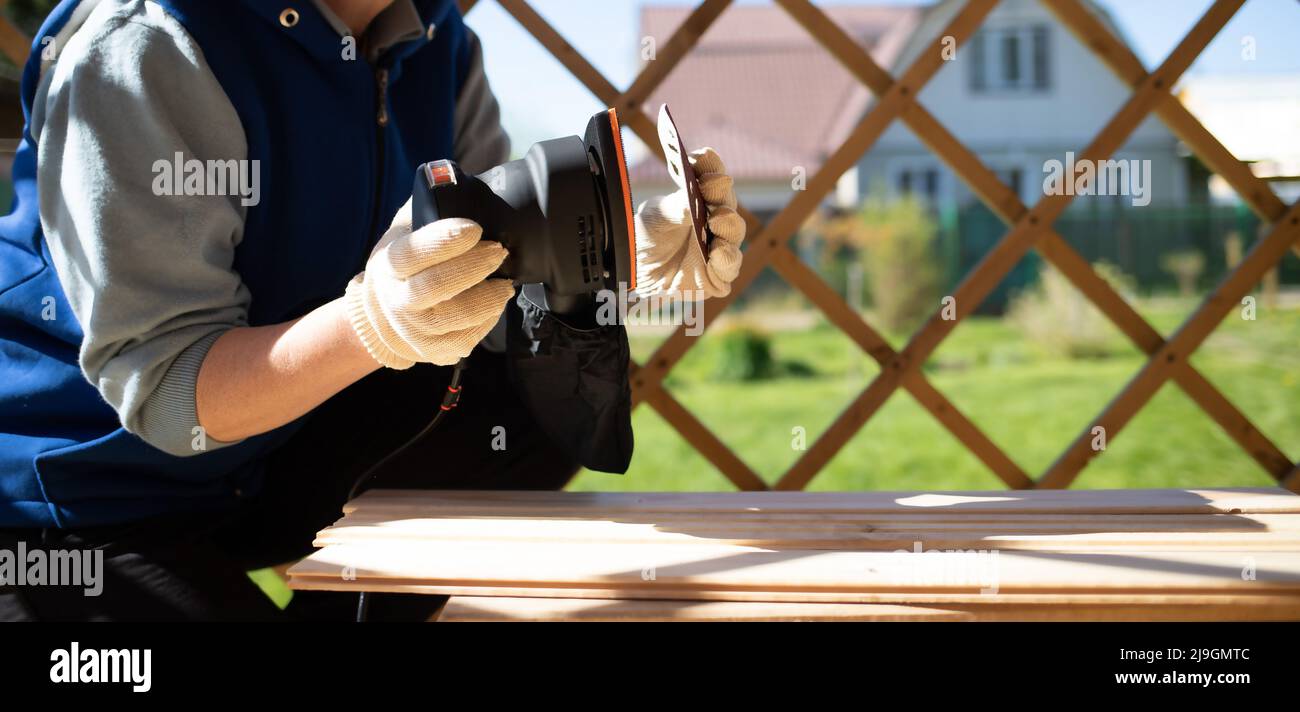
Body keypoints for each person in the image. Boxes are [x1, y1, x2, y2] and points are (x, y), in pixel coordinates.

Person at [0, 0, 745, 620]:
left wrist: (616, 252)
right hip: (76, 502)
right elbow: (170, 394)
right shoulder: (143, 47)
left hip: (272, 462)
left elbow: (492, 268)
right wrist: (370, 325)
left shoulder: (433, 37)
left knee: (517, 410)